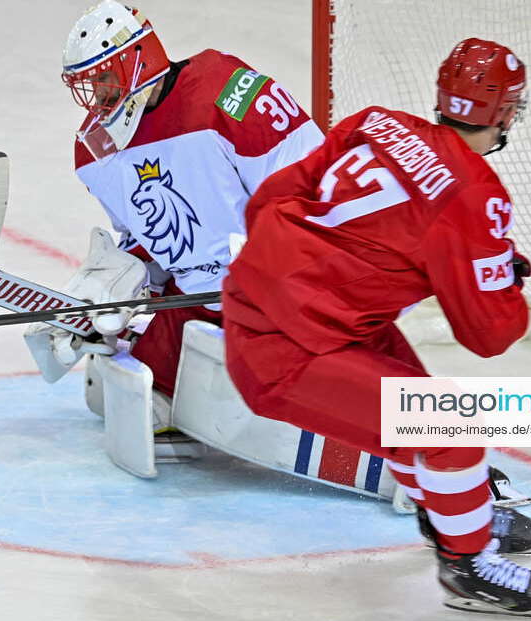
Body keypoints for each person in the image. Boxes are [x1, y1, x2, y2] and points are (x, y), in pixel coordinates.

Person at [222, 38, 531, 617]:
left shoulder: (377, 123)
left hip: (283, 310)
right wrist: (502, 278)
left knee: (408, 400)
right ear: (505, 113)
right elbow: (489, 333)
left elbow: (276, 196)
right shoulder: (473, 195)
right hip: (291, 349)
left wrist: (297, 273)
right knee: (448, 424)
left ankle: (452, 512)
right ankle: (468, 565)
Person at [23, 1, 323, 402]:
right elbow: (148, 237)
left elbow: (313, 188)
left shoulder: (229, 94)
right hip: (198, 300)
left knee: (324, 387)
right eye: (92, 86)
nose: (99, 97)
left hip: (286, 296)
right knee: (142, 393)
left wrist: (277, 278)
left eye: (105, 79)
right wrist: (115, 288)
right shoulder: (97, 152)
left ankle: (427, 429)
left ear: (139, 60)